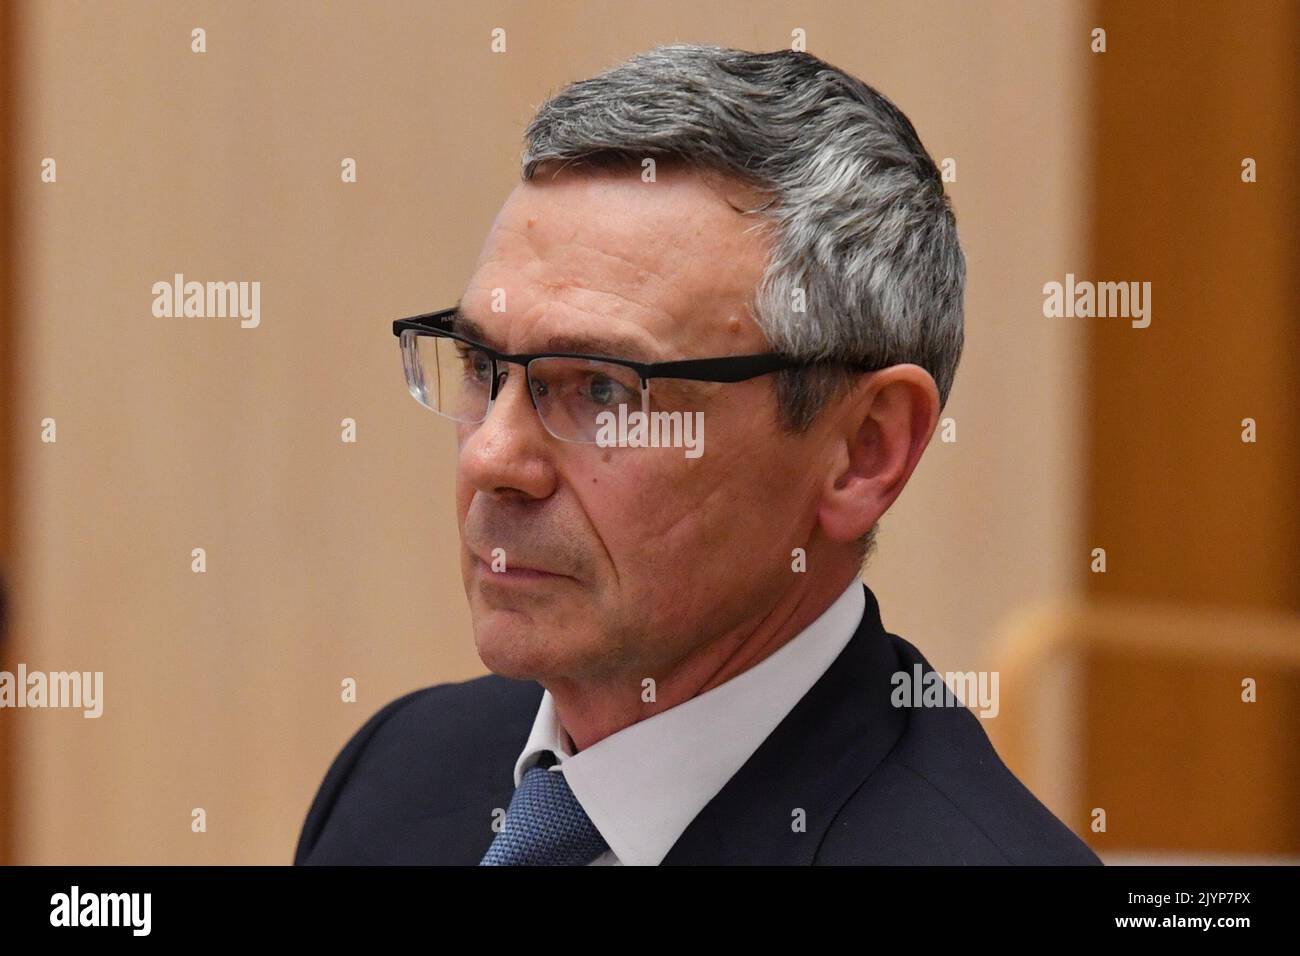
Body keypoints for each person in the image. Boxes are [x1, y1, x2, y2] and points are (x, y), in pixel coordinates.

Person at [295, 44, 1099, 866]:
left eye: (602, 390)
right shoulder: (398, 776)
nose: (493, 458)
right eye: (480, 367)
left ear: (864, 451)